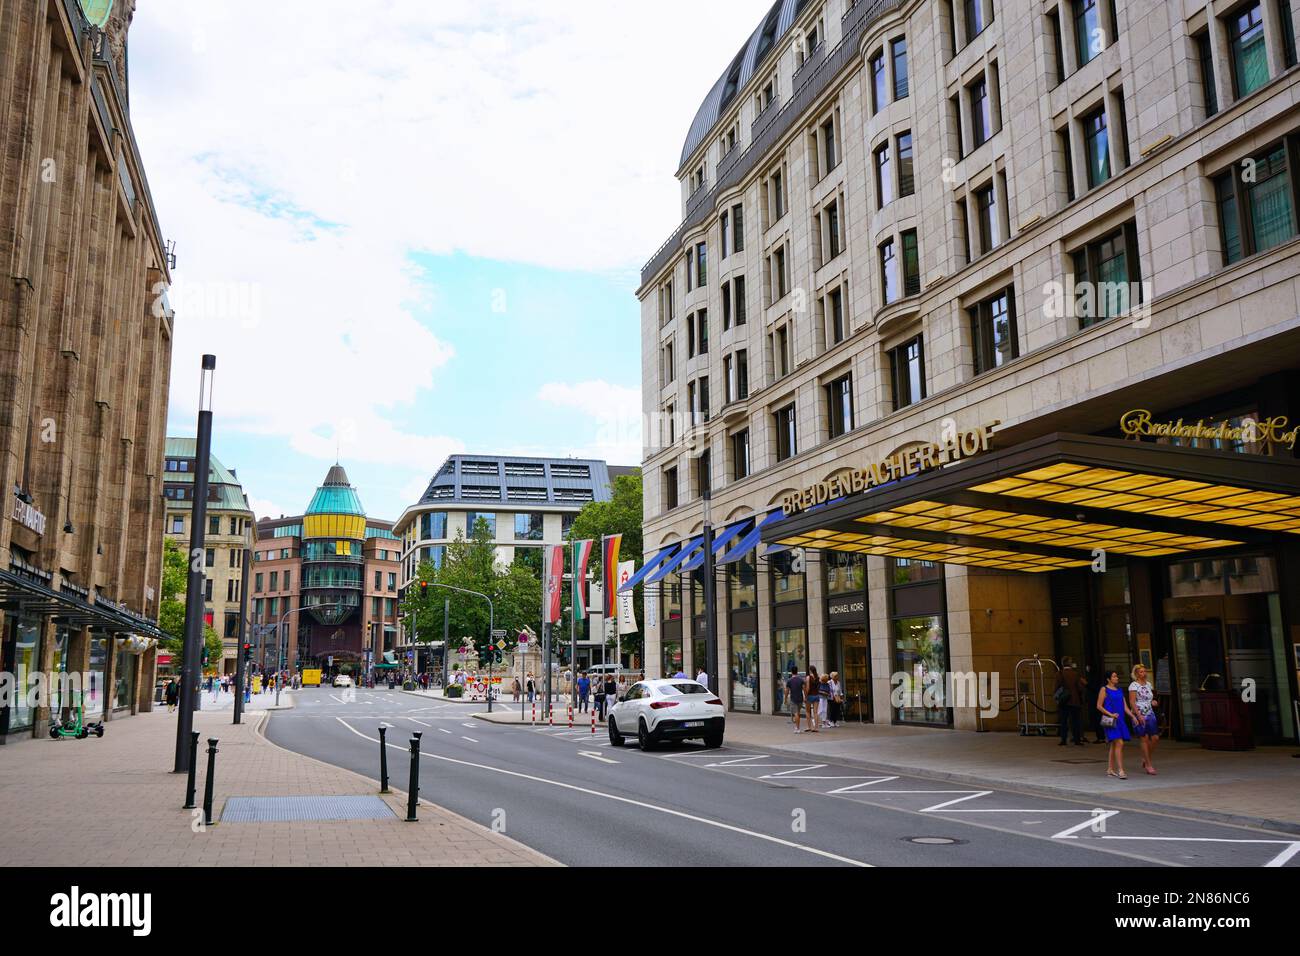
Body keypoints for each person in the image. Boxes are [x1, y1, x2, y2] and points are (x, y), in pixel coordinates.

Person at [1097, 669, 1136, 779]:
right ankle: (1121, 770)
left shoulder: (1119, 690)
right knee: (1119, 743)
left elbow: (1125, 707)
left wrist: (1132, 716)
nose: (1116, 678)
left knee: (1114, 745)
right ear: (1108, 679)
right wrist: (1110, 714)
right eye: (1114, 676)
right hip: (1111, 721)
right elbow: (1099, 706)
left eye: (1116, 676)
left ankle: (1110, 769)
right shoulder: (1104, 689)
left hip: (1120, 720)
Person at [1128, 663, 1160, 775]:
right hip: (1139, 713)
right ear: (1136, 674)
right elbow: (1132, 702)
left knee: (1155, 737)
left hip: (1150, 713)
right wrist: (1138, 715)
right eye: (1141, 672)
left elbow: (1149, 698)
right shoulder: (1133, 685)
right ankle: (1149, 765)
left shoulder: (1148, 684)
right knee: (1144, 738)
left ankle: (1145, 758)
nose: (1144, 673)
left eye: (1144, 671)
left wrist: (1153, 702)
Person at [1055, 657, 1086, 746]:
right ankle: (1077, 739)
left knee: (1064, 721)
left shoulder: (1059, 674)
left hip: (1063, 701)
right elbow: (1080, 688)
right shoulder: (1075, 674)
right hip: (1074, 701)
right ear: (1070, 664)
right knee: (1075, 721)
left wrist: (1057, 699)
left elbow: (1056, 688)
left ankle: (1063, 740)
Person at [785, 666, 805, 733]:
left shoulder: (789, 680)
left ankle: (797, 728)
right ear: (797, 671)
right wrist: (805, 697)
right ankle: (797, 727)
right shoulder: (801, 680)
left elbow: (787, 691)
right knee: (798, 713)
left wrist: (785, 699)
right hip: (800, 698)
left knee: (796, 713)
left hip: (793, 698)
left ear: (791, 672)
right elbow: (804, 689)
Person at [804, 665, 822, 733]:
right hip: (816, 695)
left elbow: (808, 688)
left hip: (810, 696)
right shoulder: (818, 677)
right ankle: (816, 727)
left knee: (808, 711)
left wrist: (806, 696)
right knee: (815, 712)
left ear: (810, 670)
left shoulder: (809, 677)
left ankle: (809, 727)